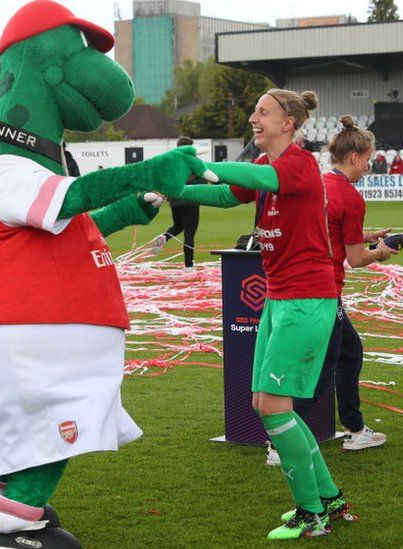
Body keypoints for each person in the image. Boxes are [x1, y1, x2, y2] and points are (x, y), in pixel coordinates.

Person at [173, 88, 350, 539]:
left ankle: (312, 513)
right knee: (263, 404)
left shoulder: (300, 164)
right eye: (254, 110)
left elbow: (249, 182)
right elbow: (227, 196)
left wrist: (201, 166)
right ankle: (328, 498)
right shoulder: (263, 168)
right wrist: (169, 188)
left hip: (306, 300)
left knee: (273, 407)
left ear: (288, 122)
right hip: (280, 299)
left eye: (263, 111)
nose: (254, 117)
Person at [285, 115, 396, 458]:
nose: (367, 167)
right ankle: (280, 441)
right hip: (325, 289)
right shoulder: (350, 196)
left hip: (304, 285)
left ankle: (355, 427)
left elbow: (331, 232)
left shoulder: (320, 184)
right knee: (323, 370)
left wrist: (363, 236)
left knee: (350, 352)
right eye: (366, 160)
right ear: (353, 157)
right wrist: (381, 251)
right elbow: (356, 258)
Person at [151, 136, 202, 269]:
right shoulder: (195, 162)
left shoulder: (172, 163)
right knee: (189, 234)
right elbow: (204, 181)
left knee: (178, 226)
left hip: (175, 202)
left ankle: (164, 238)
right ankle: (189, 266)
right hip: (190, 201)